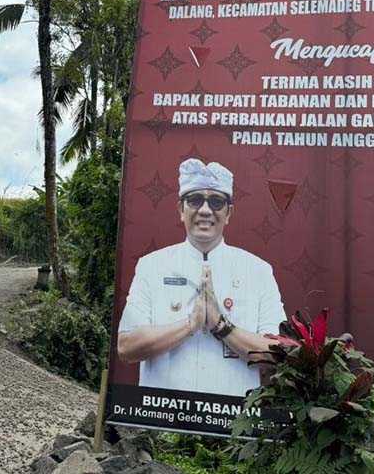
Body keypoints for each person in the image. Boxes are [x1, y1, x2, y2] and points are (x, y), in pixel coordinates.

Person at [117, 158, 286, 396]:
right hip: (162, 421)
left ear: (229, 213)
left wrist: (221, 326)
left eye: (216, 202)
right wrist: (190, 325)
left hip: (231, 422)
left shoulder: (258, 270)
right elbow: (126, 347)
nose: (205, 210)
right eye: (195, 200)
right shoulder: (152, 266)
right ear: (181, 210)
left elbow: (278, 354)